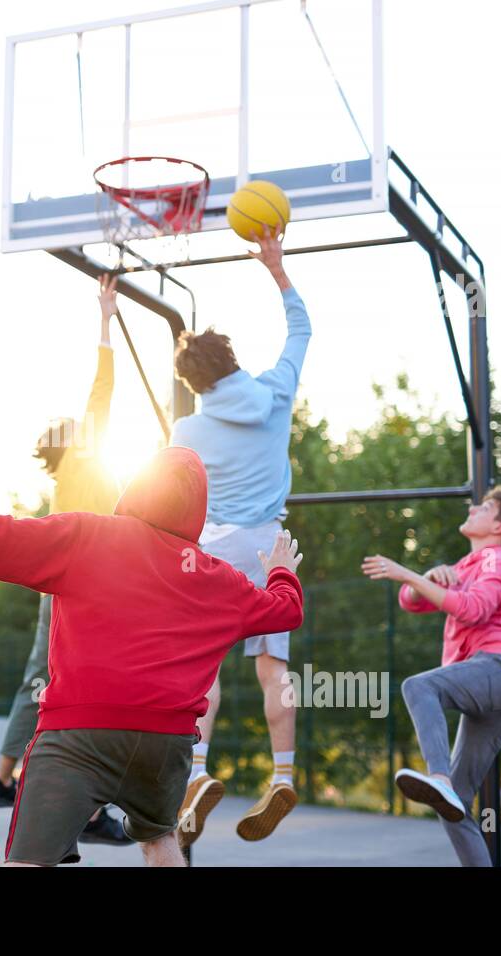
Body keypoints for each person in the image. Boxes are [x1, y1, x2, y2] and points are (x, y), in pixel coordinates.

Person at [0, 446, 305, 866]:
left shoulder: (87, 536)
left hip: (78, 735)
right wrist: (280, 571)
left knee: (28, 861)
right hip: (164, 741)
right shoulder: (214, 576)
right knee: (159, 837)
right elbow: (286, 612)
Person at [168, 227, 311, 846]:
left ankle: (198, 772)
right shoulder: (275, 393)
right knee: (273, 665)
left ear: (196, 382)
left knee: (204, 663)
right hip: (270, 548)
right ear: (231, 361)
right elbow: (302, 331)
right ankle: (283, 775)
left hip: (213, 551)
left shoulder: (187, 430)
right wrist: (276, 270)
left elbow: (168, 496)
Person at [0, 274, 131, 846]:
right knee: (83, 683)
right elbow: (104, 387)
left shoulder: (73, 481)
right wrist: (106, 317)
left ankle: (14, 784)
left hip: (64, 582)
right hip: (83, 585)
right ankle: (84, 810)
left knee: (47, 678)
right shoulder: (83, 464)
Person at [361, 486, 501, 867]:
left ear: (499, 527)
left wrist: (405, 572)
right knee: (454, 804)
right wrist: (427, 578)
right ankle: (447, 790)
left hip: (500, 671)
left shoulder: (500, 560)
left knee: (419, 686)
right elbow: (412, 601)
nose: (474, 508)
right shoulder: (469, 566)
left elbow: (472, 610)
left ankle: (437, 776)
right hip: (491, 690)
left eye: (485, 507)